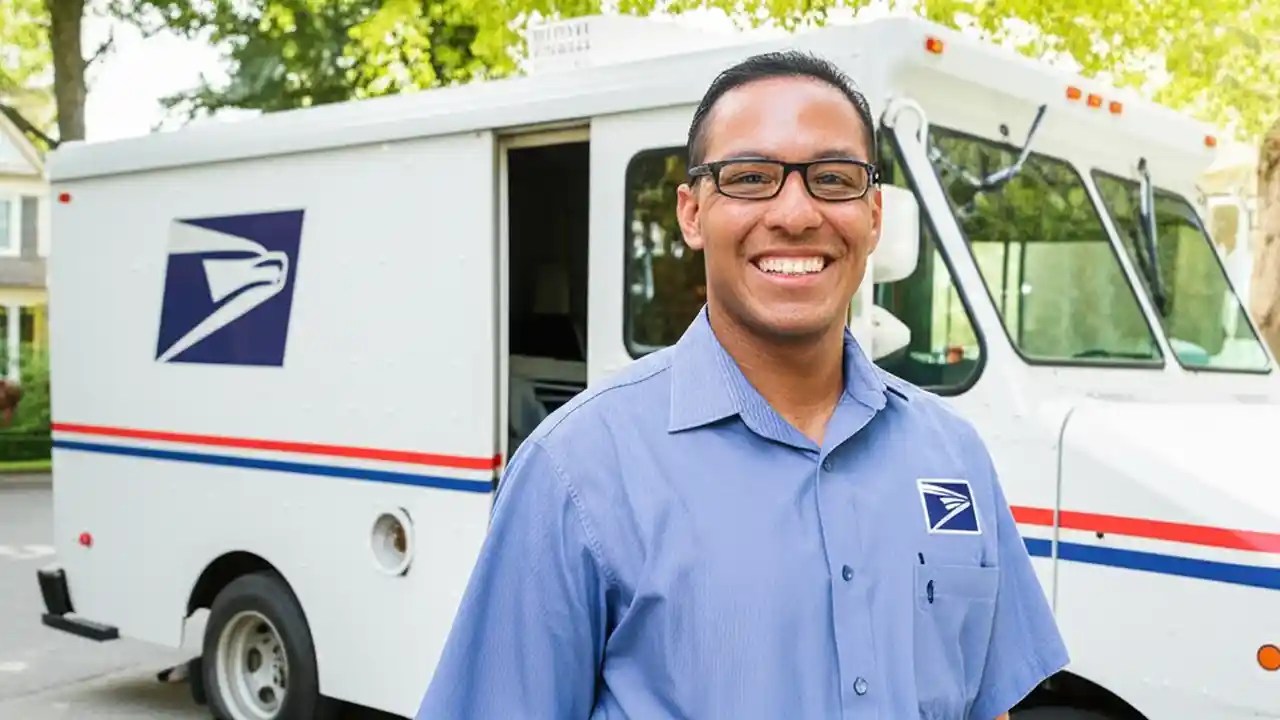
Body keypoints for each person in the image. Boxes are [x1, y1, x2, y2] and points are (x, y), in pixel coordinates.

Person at [416, 50, 1069, 720]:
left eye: (833, 178)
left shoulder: (953, 457)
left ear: (873, 216)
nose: (795, 213)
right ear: (692, 213)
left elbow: (988, 706)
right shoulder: (576, 472)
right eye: (751, 177)